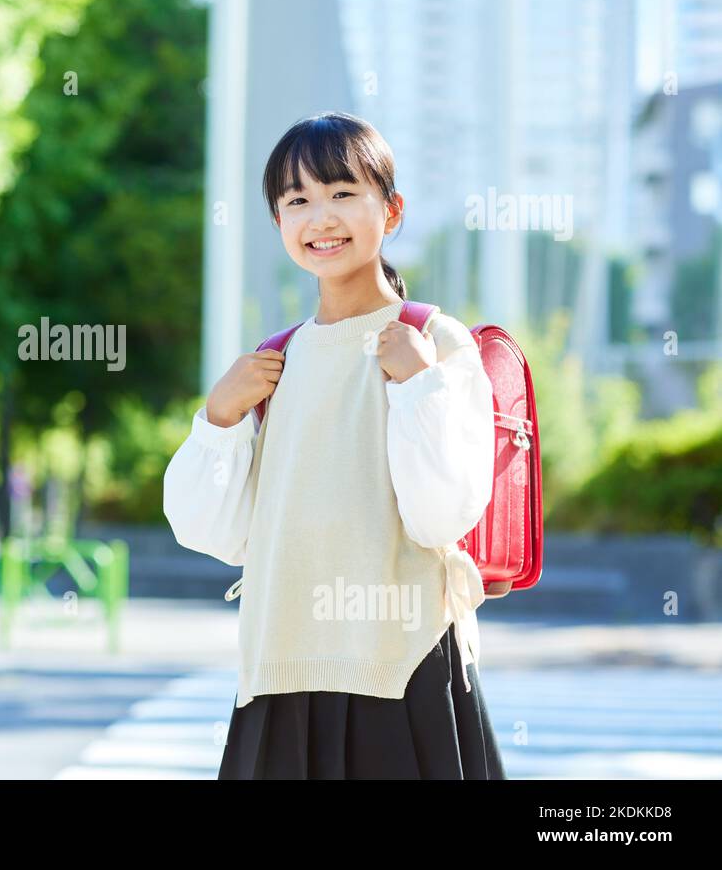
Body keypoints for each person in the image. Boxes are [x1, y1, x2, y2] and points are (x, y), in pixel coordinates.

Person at [163, 111, 506, 779]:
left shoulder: (435, 340)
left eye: (343, 193)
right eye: (297, 200)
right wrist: (219, 416)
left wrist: (416, 385)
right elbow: (214, 532)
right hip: (280, 668)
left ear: (392, 208)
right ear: (278, 223)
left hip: (399, 668)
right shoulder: (272, 361)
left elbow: (443, 513)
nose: (321, 216)